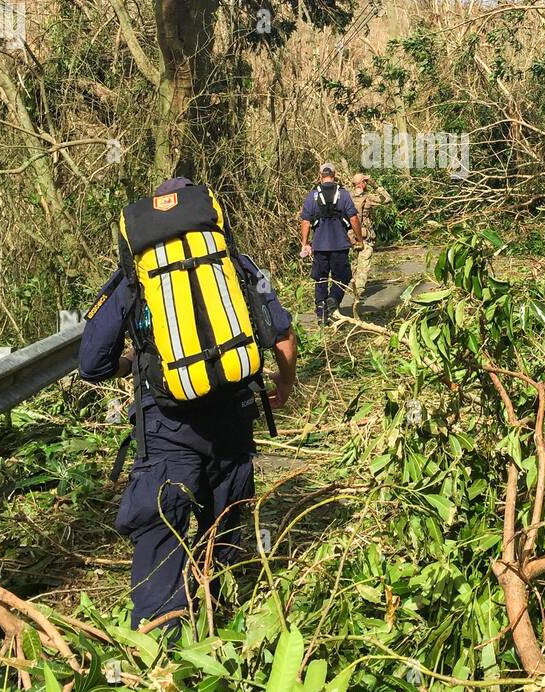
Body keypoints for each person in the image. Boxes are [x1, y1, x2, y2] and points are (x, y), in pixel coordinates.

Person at [78, 177, 296, 630]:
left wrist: (136, 362)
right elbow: (282, 334)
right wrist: (285, 386)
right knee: (226, 531)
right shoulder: (231, 260)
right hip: (233, 420)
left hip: (166, 429)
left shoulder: (136, 273)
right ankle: (222, 622)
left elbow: (92, 363)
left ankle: (163, 648)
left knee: (162, 536)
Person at [299, 162, 362, 324]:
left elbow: (306, 221)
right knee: (343, 276)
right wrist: (359, 239)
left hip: (319, 245)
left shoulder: (312, 196)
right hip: (339, 244)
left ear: (320, 176)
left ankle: (322, 315)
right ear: (334, 175)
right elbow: (354, 218)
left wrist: (305, 244)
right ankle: (333, 299)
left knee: (320, 279)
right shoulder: (343, 194)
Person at [347, 172, 392, 313]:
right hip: (365, 237)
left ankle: (351, 288)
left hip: (349, 237)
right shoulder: (368, 198)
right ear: (362, 183)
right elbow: (387, 199)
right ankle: (357, 296)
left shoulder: (346, 197)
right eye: (365, 182)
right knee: (363, 267)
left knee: (354, 265)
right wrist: (375, 184)